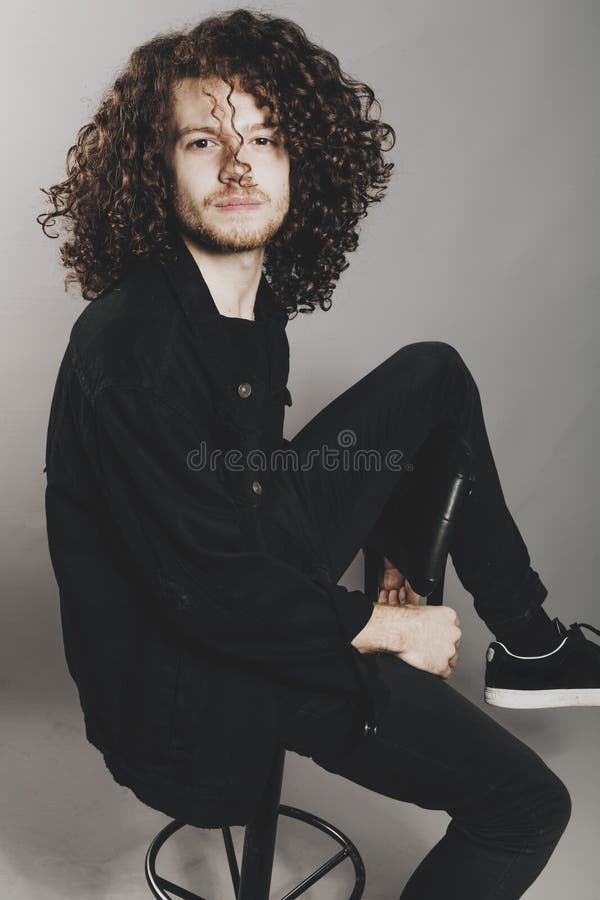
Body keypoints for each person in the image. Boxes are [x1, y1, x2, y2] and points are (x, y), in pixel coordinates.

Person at [38, 8, 599, 898]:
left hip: (234, 577)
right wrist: (389, 628)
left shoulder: (247, 304)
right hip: (194, 692)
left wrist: (388, 560)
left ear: (303, 161)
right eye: (201, 142)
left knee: (432, 378)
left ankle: (529, 646)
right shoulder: (134, 351)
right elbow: (209, 590)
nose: (238, 166)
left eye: (264, 137)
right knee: (528, 807)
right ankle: (417, 630)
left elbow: (246, 504)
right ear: (155, 169)